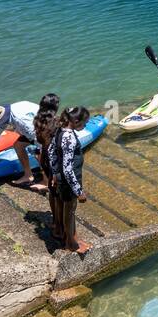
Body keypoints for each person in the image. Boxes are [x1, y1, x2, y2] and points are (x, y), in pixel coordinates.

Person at [47, 105, 91, 254]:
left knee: (62, 206)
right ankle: (71, 244)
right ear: (76, 121)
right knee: (70, 210)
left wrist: (54, 173)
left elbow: (51, 152)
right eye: (84, 123)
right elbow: (68, 168)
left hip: (60, 177)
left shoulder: (60, 130)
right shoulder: (69, 138)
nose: (85, 126)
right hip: (69, 180)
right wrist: (79, 191)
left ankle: (70, 236)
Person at [0, 100, 41, 189]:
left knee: (39, 154)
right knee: (18, 146)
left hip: (43, 129)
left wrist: (38, 150)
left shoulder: (21, 120)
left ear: (2, 119)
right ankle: (28, 175)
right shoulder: (4, 114)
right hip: (30, 129)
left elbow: (38, 139)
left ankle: (47, 182)